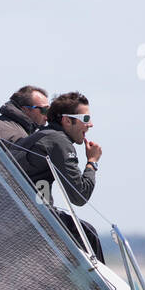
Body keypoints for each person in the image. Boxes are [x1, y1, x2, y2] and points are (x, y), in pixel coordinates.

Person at [15, 91, 105, 260]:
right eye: (85, 119)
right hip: (29, 218)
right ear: (66, 120)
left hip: (19, 213)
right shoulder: (59, 141)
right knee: (88, 235)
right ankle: (98, 288)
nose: (90, 124)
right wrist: (92, 162)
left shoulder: (42, 135)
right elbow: (79, 196)